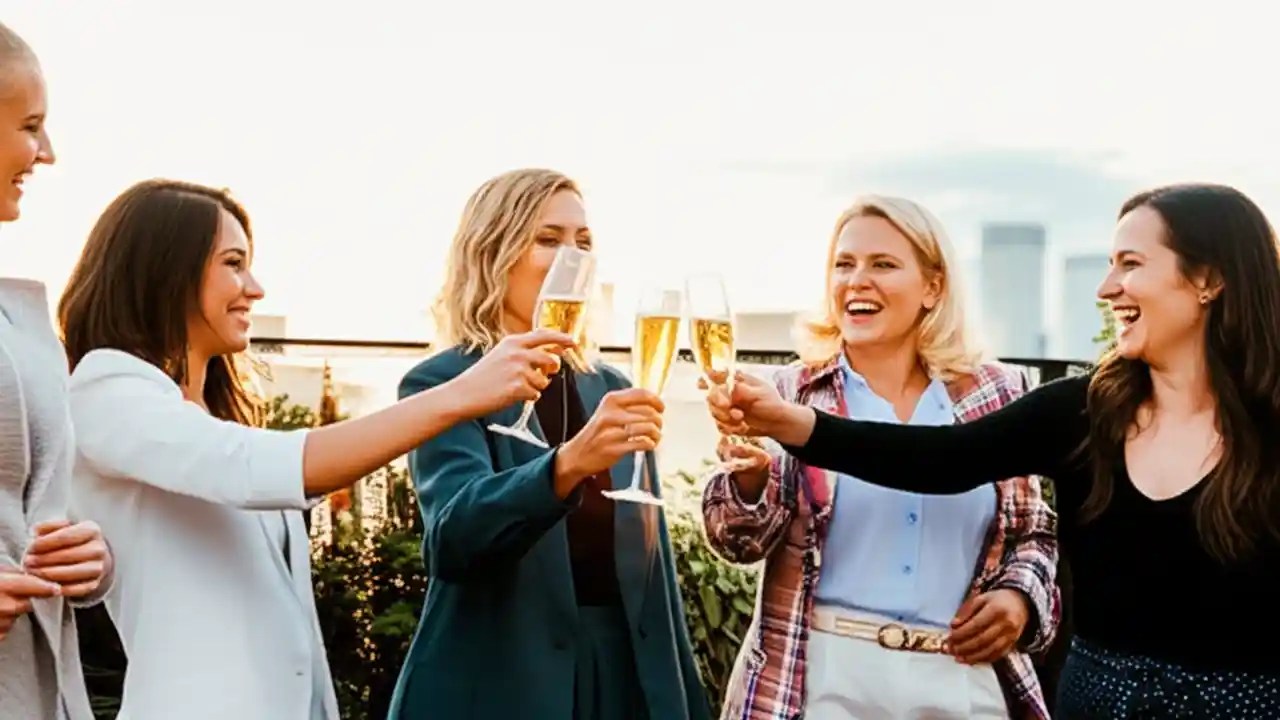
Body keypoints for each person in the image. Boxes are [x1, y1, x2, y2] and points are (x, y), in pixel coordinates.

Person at [707, 183, 1280, 719]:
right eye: (1109, 264)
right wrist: (792, 424)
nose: (1106, 288)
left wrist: (1020, 597)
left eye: (1130, 264)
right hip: (1084, 701)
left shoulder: (1267, 431)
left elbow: (1032, 534)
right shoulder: (1082, 413)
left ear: (1207, 278)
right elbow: (944, 459)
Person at [59, 178, 572, 720]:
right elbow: (270, 468)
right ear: (164, 272)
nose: (254, 287)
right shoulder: (108, 389)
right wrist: (462, 394)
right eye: (233, 263)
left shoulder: (218, 421)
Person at [702, 195, 1058, 720]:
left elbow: (1035, 533)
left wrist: (1020, 598)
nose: (856, 281)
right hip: (822, 679)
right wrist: (752, 479)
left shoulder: (998, 392)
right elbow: (737, 541)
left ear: (933, 286)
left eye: (883, 264)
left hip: (960, 676)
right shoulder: (787, 393)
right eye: (843, 264)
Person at [387, 168, 709, 720]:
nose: (573, 258)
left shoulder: (611, 388)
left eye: (584, 242)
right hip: (501, 685)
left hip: (624, 683)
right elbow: (454, 541)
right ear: (492, 252)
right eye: (548, 239)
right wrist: (566, 466)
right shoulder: (444, 382)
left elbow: (655, 578)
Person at [0, 21, 113, 720]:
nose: (46, 153)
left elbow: (42, 508)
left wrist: (90, 558)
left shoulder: (23, 321)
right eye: (30, 126)